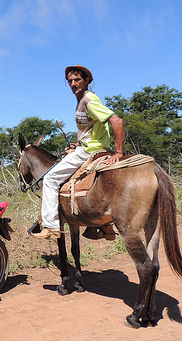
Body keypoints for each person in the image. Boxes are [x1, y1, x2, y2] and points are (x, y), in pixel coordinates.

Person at [33, 65, 125, 239]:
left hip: (90, 151)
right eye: (70, 81)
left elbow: (117, 121)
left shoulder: (88, 100)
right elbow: (95, 127)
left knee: (50, 179)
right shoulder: (83, 99)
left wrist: (119, 153)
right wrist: (79, 143)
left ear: (87, 81)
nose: (73, 84)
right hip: (90, 147)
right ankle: (105, 227)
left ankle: (51, 226)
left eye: (77, 80)